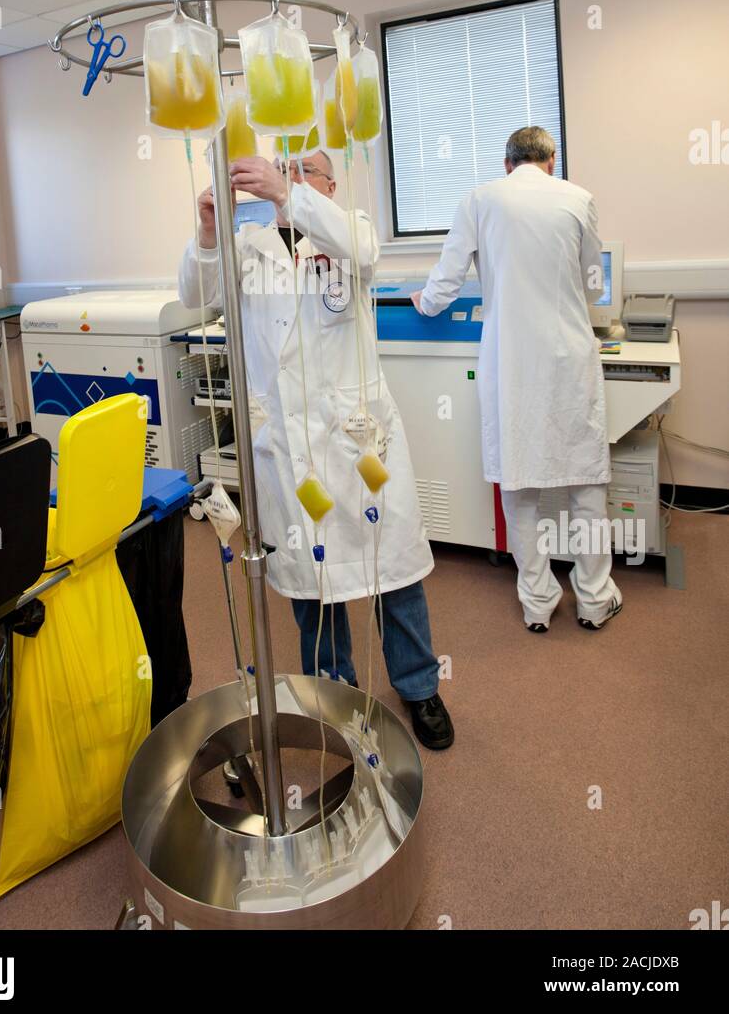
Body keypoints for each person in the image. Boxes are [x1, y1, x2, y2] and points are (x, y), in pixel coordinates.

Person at [178, 149, 453, 749]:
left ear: (328, 185)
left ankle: (419, 686)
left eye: (307, 172)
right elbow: (196, 293)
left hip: (362, 449)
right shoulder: (248, 250)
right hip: (289, 449)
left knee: (394, 567)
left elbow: (366, 250)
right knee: (311, 580)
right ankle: (334, 690)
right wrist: (206, 229)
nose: (294, 178)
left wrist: (287, 193)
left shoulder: (349, 232)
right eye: (286, 168)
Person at [413, 127, 622, 634]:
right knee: (585, 483)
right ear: (550, 160)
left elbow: (446, 277)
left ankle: (537, 600)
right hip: (569, 358)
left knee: (518, 481)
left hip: (509, 363)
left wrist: (428, 303)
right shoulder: (579, 198)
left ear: (507, 164)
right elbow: (592, 280)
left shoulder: (480, 199)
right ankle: (594, 598)